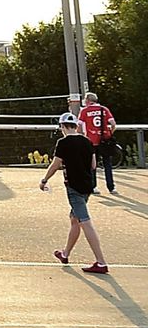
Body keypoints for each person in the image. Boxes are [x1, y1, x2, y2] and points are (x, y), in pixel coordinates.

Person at [40, 113, 110, 274]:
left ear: (63, 127)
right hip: (87, 186)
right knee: (74, 219)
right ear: (76, 126)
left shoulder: (63, 143)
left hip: (74, 187)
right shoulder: (87, 141)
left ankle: (101, 262)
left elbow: (56, 164)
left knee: (85, 221)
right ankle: (65, 254)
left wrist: (44, 180)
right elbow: (93, 165)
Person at [79, 91, 118, 196]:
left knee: (92, 165)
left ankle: (94, 186)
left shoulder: (84, 111)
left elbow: (79, 126)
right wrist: (109, 134)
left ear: (87, 101)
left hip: (91, 141)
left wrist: (82, 136)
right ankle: (111, 187)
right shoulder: (104, 110)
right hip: (104, 141)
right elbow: (113, 124)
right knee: (107, 164)